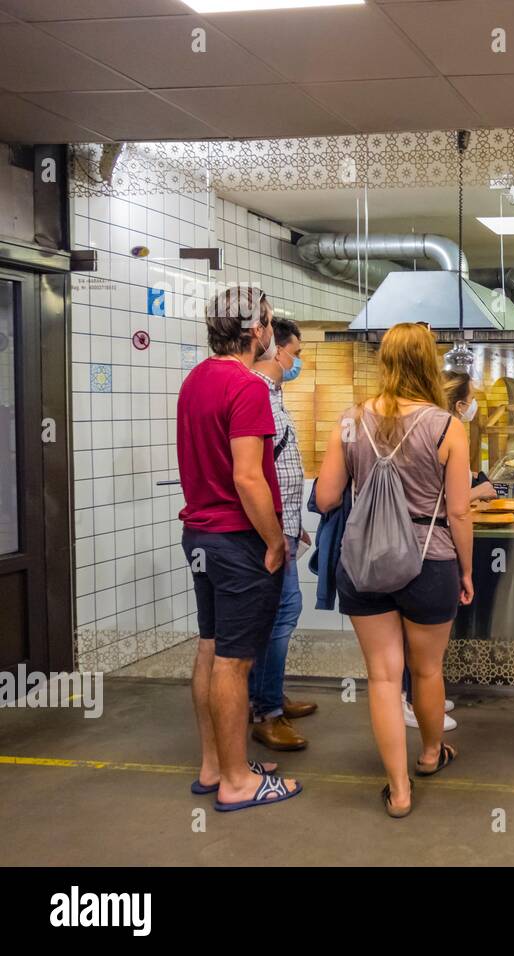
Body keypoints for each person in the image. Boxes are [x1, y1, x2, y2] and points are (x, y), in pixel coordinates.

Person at [315, 323, 474, 817]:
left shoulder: (350, 420)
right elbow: (461, 511)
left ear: (384, 363)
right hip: (432, 560)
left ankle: (399, 791)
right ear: (430, 364)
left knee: (384, 679)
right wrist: (467, 572)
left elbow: (325, 497)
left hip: (365, 564)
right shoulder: (448, 426)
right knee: (426, 670)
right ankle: (429, 754)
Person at [179, 285, 300, 811]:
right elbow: (249, 479)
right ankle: (237, 782)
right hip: (238, 541)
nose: (272, 331)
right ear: (255, 331)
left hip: (200, 536)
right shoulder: (247, 387)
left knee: (210, 648)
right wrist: (275, 540)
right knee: (234, 663)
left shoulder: (195, 381)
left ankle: (214, 765)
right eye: (269, 322)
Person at [397, 371, 490, 733]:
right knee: (414, 641)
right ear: (460, 404)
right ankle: (411, 704)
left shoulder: (419, 425)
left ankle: (422, 697)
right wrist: (465, 571)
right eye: (471, 399)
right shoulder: (444, 428)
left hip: (404, 544)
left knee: (419, 643)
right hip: (424, 547)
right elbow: (454, 505)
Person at [247, 317, 316, 751]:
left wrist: (295, 525)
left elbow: (278, 468)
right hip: (267, 532)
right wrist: (276, 534)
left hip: (285, 526)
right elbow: (251, 475)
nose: (299, 361)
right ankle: (265, 711)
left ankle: (271, 696)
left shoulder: (275, 395)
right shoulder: (256, 395)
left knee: (280, 615)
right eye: (297, 352)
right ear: (277, 349)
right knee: (280, 614)